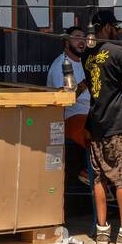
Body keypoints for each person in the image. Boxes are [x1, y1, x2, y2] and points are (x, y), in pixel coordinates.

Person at [83, 10, 122, 244]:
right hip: (118, 124)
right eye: (115, 26)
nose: (117, 30)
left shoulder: (88, 55)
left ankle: (101, 230)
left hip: (96, 123)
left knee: (99, 178)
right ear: (107, 27)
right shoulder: (118, 52)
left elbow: (92, 84)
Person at [47, 26, 90, 190]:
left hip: (90, 112)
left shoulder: (87, 62)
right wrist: (85, 84)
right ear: (66, 42)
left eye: (84, 37)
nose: (82, 41)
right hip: (69, 116)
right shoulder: (61, 64)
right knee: (96, 129)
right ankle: (90, 171)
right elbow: (64, 99)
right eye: (77, 37)